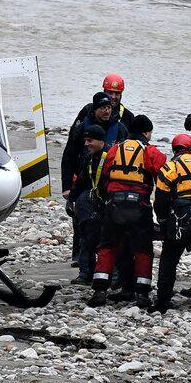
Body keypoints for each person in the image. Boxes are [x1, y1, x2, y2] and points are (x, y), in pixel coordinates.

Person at [87, 114, 165, 309]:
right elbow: (163, 178)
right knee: (143, 250)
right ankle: (142, 295)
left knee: (108, 246)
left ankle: (100, 290)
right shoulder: (150, 151)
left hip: (114, 205)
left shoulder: (114, 149)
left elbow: (105, 175)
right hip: (139, 206)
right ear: (147, 133)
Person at [62, 92, 129, 266]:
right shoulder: (81, 128)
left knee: (110, 223)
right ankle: (79, 258)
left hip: (110, 184)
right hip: (85, 179)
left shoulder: (120, 128)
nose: (107, 111)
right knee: (82, 221)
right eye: (103, 108)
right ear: (95, 109)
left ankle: (107, 260)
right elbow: (68, 156)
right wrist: (67, 186)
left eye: (109, 107)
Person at [151, 133, 191, 312]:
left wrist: (163, 222)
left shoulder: (169, 168)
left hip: (179, 222)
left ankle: (163, 301)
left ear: (174, 150)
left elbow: (160, 200)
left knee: (169, 261)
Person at [67, 124, 107, 285]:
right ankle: (85, 274)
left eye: (89, 140)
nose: (86, 144)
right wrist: (71, 198)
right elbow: (82, 179)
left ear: (100, 141)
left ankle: (105, 275)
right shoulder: (89, 157)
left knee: (104, 242)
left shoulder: (111, 157)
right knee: (86, 239)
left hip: (106, 205)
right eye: (85, 140)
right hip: (91, 203)